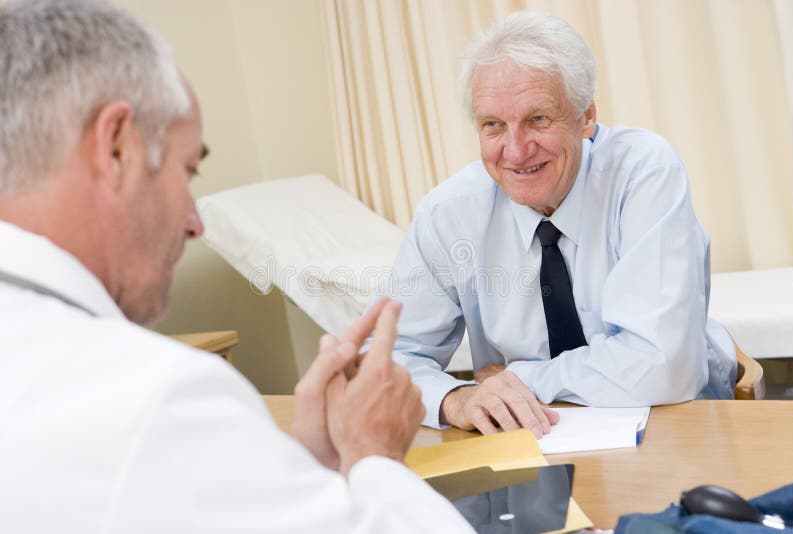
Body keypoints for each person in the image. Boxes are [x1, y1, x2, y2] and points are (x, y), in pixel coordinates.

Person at [0, 0, 473, 532]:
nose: (196, 223)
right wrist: (374, 456)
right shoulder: (154, 397)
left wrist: (312, 469)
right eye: (188, 168)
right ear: (116, 147)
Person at [383, 11, 737, 435]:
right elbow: (382, 360)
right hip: (532, 449)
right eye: (493, 125)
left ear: (586, 117)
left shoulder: (643, 171)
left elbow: (663, 368)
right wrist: (453, 398)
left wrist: (522, 379)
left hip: (680, 426)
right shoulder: (449, 215)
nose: (515, 151)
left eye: (538, 119)